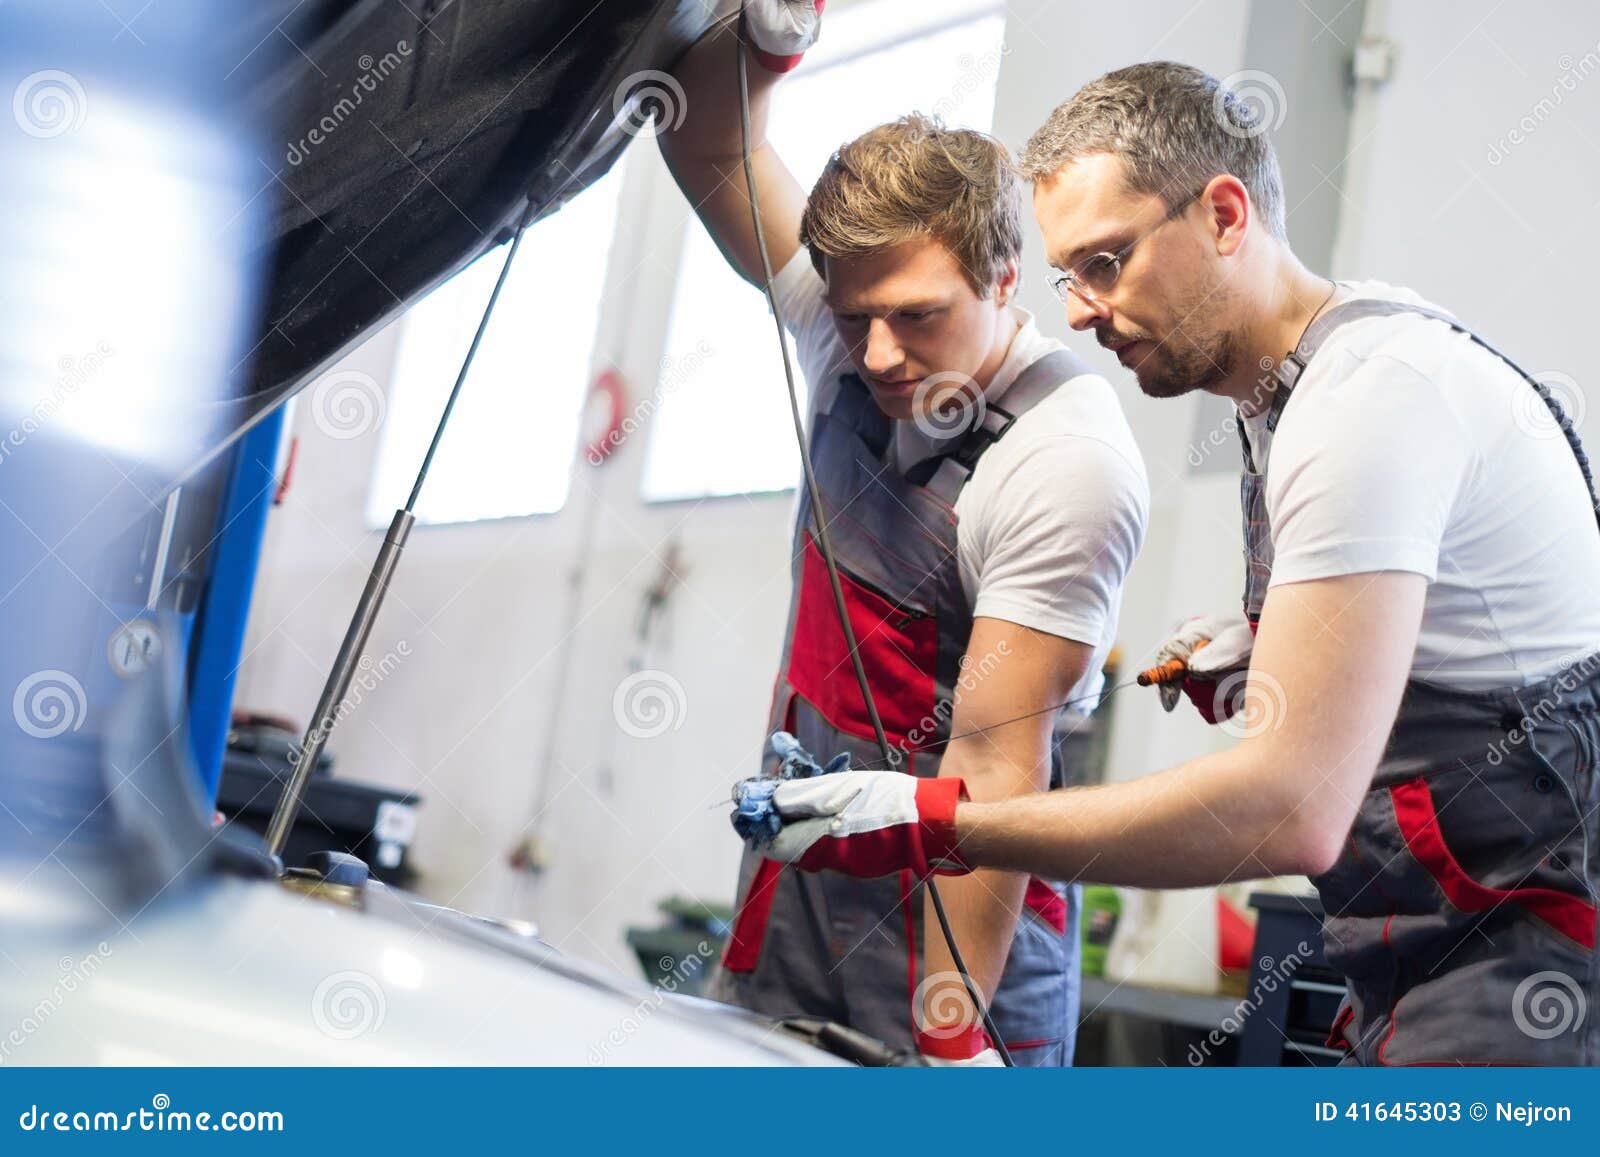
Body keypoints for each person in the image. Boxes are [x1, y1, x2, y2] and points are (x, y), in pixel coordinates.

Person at [739, 61, 1600, 1066]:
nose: (1079, 310)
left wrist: (937, 816)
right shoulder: (1308, 381)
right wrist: (1286, 641)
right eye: (1069, 272)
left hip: (1531, 969)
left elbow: (1287, 810)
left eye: (1106, 261)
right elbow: (1484, 636)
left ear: (1225, 213)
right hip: (1418, 957)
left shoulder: (1364, 403)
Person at [658, 5, 1148, 1064]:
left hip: (966, 920)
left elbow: (995, 775)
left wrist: (952, 1042)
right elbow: (701, 133)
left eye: (919, 317)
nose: (877, 355)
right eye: (850, 316)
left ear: (1003, 279)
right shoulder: (858, 323)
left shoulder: (1062, 460)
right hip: (800, 891)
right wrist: (770, 36)